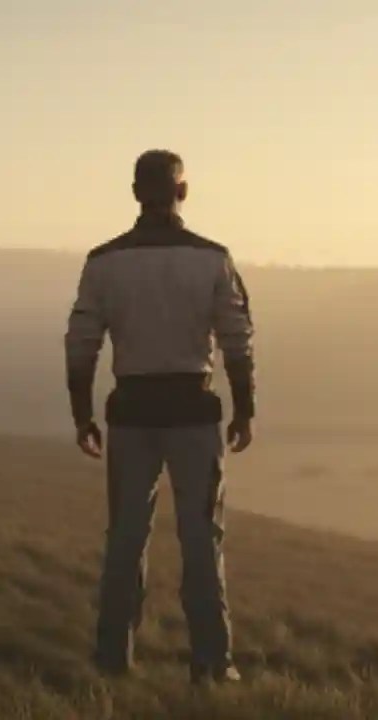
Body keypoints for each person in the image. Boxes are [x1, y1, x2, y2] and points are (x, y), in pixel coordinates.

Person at [64, 149, 255, 684]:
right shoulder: (212, 259)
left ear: (134, 192)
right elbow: (238, 340)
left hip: (131, 413)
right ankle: (213, 665)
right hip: (194, 412)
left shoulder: (103, 263)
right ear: (182, 192)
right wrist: (245, 408)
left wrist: (82, 416)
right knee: (201, 538)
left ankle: (112, 659)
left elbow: (81, 344)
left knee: (125, 537)